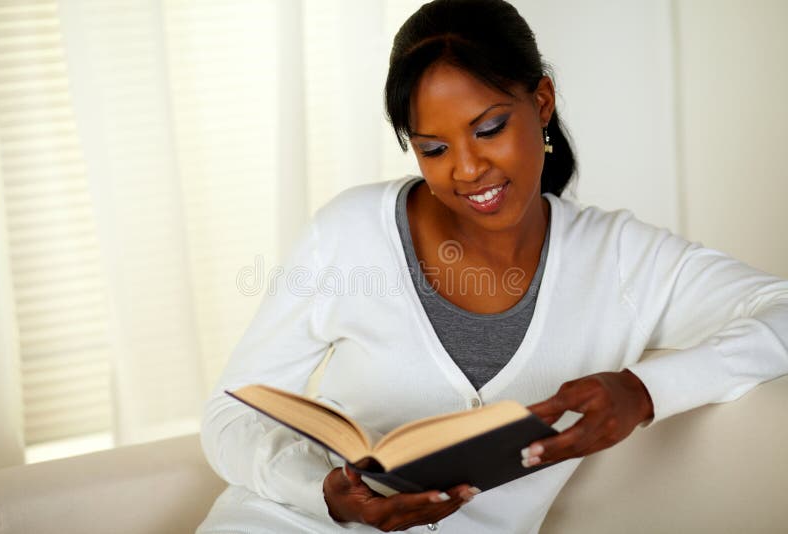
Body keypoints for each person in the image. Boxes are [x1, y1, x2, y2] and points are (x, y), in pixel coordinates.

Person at [197, 0, 788, 532]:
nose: (468, 168)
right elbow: (229, 413)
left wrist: (644, 391)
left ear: (543, 102)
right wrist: (321, 493)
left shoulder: (624, 261)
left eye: (489, 129)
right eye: (433, 148)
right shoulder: (349, 234)